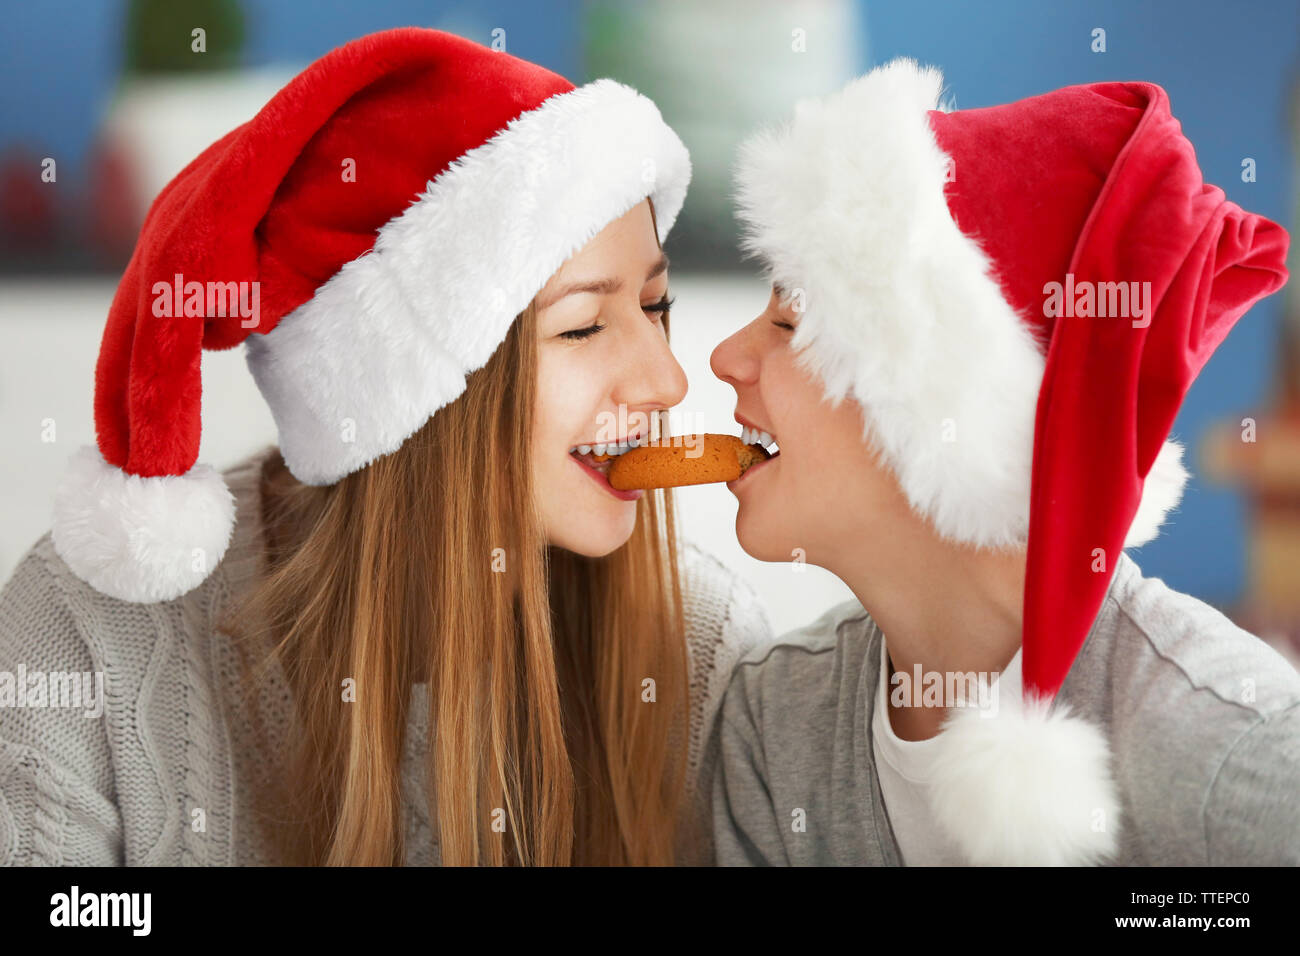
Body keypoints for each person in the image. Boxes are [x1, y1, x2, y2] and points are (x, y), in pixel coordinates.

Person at [0, 27, 771, 866]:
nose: (666, 382)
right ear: (418, 402)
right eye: (583, 325)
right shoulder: (83, 637)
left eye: (656, 307)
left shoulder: (703, 652)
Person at [708, 58, 1298, 865]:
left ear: (938, 407)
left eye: (787, 323)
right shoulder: (773, 722)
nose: (722, 357)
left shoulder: (1233, 749)